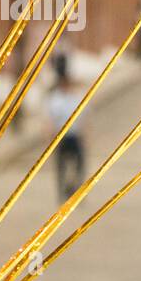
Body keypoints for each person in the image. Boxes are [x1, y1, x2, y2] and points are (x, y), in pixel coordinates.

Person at [46, 69, 87, 202]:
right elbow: (51, 119)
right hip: (61, 136)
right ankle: (62, 193)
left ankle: (77, 190)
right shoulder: (55, 99)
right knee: (61, 166)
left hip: (74, 135)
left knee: (79, 165)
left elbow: (82, 118)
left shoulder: (75, 97)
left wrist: (85, 135)